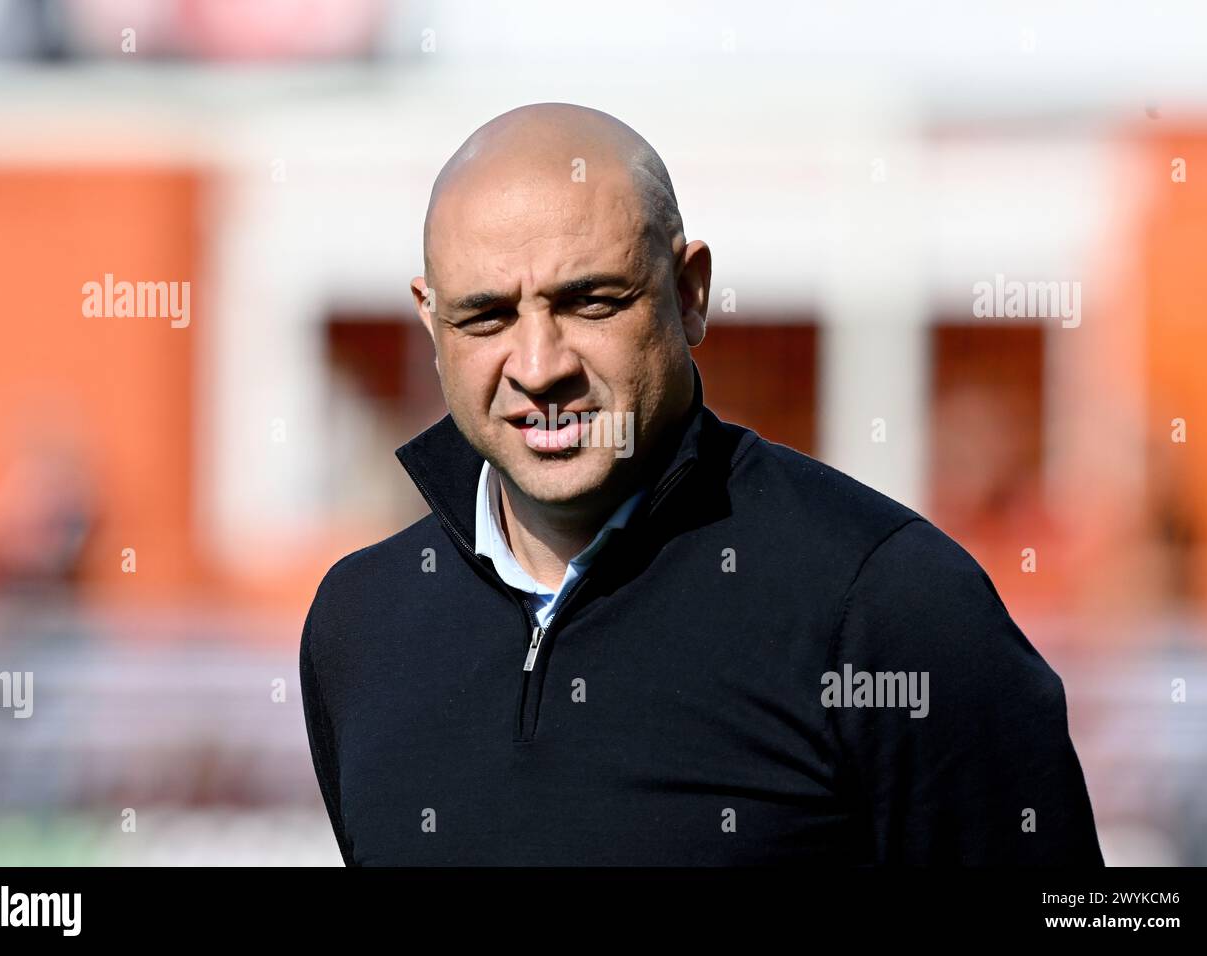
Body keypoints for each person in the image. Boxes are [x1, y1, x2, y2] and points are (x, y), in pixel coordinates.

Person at [298, 102, 1105, 866]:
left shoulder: (890, 606)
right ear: (430, 321)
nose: (540, 367)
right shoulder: (360, 625)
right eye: (487, 318)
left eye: (590, 303)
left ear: (689, 295)